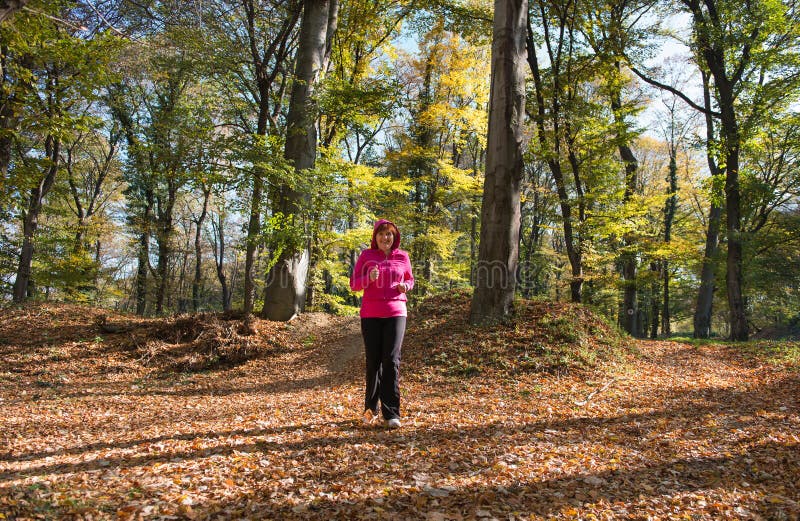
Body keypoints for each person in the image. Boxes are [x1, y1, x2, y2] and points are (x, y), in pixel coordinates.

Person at [350, 219, 414, 429]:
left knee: (392, 361)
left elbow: (410, 280)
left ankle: (392, 413)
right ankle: (370, 411)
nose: (385, 238)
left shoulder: (403, 256)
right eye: (382, 234)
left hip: (396, 312)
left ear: (394, 238)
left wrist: (406, 285)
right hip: (371, 314)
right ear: (375, 237)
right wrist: (368, 278)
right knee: (373, 362)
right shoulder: (366, 256)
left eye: (389, 235)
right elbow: (354, 284)